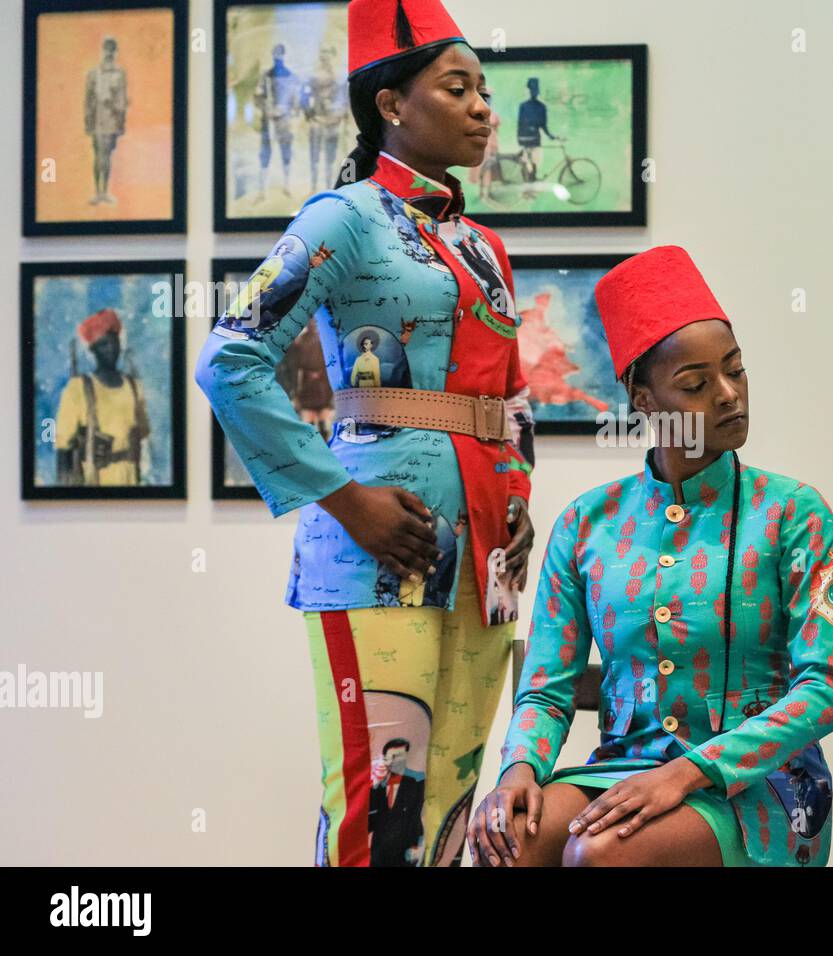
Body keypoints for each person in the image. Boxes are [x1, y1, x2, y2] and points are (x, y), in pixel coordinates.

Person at [195, 0, 536, 867]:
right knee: (382, 810)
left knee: (456, 805)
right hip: (379, 553)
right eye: (457, 88)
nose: (483, 108)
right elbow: (229, 359)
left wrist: (521, 502)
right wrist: (348, 504)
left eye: (484, 91)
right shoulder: (342, 218)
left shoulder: (486, 248)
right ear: (390, 103)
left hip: (489, 554)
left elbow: (514, 394)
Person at [467, 246, 833, 868]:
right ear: (642, 399)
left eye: (736, 369)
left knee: (598, 854)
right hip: (622, 772)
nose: (729, 395)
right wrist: (519, 767)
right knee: (503, 840)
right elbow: (545, 690)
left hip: (759, 789)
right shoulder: (587, 523)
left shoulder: (794, 513)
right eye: (696, 384)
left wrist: (688, 773)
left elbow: (827, 689)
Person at [55, 309, 150, 487]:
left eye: (115, 342)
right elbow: (64, 446)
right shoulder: (78, 389)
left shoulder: (134, 387)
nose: (112, 349)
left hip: (131, 481)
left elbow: (143, 433)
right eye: (104, 344)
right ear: (94, 350)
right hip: (94, 483)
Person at [84, 36, 127, 206]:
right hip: (97, 119)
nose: (109, 53)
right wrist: (87, 121)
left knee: (107, 155)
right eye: (106, 49)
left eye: (112, 49)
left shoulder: (119, 73)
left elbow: (122, 99)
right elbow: (88, 99)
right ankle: (98, 192)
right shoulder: (93, 73)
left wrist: (121, 121)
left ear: (115, 52)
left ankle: (105, 191)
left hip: (112, 119)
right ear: (102, 51)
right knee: (98, 155)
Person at [301, 45, 349, 194]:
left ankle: (329, 187)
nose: (325, 56)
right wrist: (309, 112)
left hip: (333, 120)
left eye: (327, 53)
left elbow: (345, 97)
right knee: (314, 155)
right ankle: (314, 187)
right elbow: (304, 94)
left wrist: (341, 113)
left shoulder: (339, 76)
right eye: (322, 53)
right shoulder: (312, 75)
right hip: (316, 119)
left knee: (331, 156)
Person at [254, 43, 300, 201]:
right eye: (275, 54)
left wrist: (288, 112)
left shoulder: (292, 77)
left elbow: (296, 102)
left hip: (284, 122)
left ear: (284, 55)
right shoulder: (266, 77)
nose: (277, 57)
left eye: (280, 54)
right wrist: (267, 109)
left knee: (286, 153)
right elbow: (258, 97)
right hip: (268, 121)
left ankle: (286, 186)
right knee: (264, 155)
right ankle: (262, 191)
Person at [369, 738, 426, 866]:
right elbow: (368, 822)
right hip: (379, 856)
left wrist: (421, 846)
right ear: (385, 759)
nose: (397, 760)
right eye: (393, 757)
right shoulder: (378, 786)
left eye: (401, 756)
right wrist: (375, 786)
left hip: (406, 855)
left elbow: (424, 817)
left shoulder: (417, 784)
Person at [517, 77, 559, 183]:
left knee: (528, 163)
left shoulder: (523, 106)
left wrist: (519, 138)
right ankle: (531, 181)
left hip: (524, 139)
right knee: (534, 162)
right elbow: (543, 126)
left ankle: (529, 181)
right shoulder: (542, 107)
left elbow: (520, 124)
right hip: (534, 140)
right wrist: (550, 136)